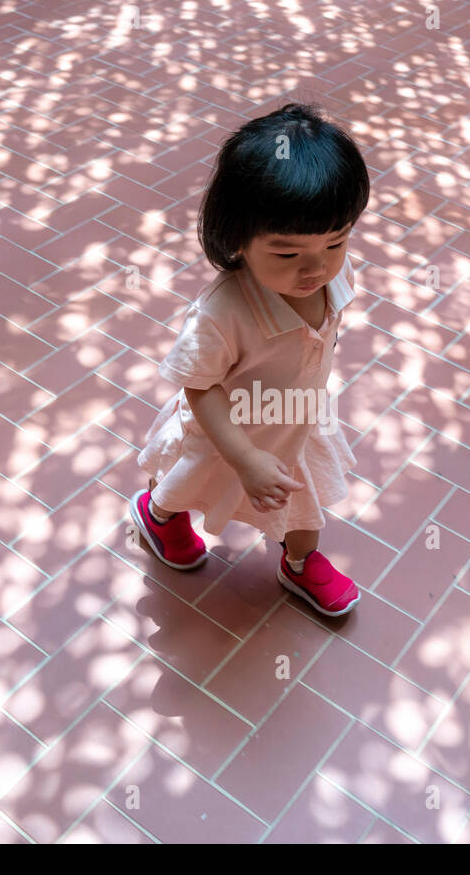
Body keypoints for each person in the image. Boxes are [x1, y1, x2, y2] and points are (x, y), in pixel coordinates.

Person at [129, 102, 369, 617]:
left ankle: (300, 563)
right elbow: (199, 385)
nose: (316, 267)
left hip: (295, 425)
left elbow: (322, 333)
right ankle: (158, 514)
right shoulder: (224, 312)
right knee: (188, 481)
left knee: (304, 505)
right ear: (238, 237)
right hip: (226, 436)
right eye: (286, 254)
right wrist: (244, 457)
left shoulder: (331, 276)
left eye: (337, 242)